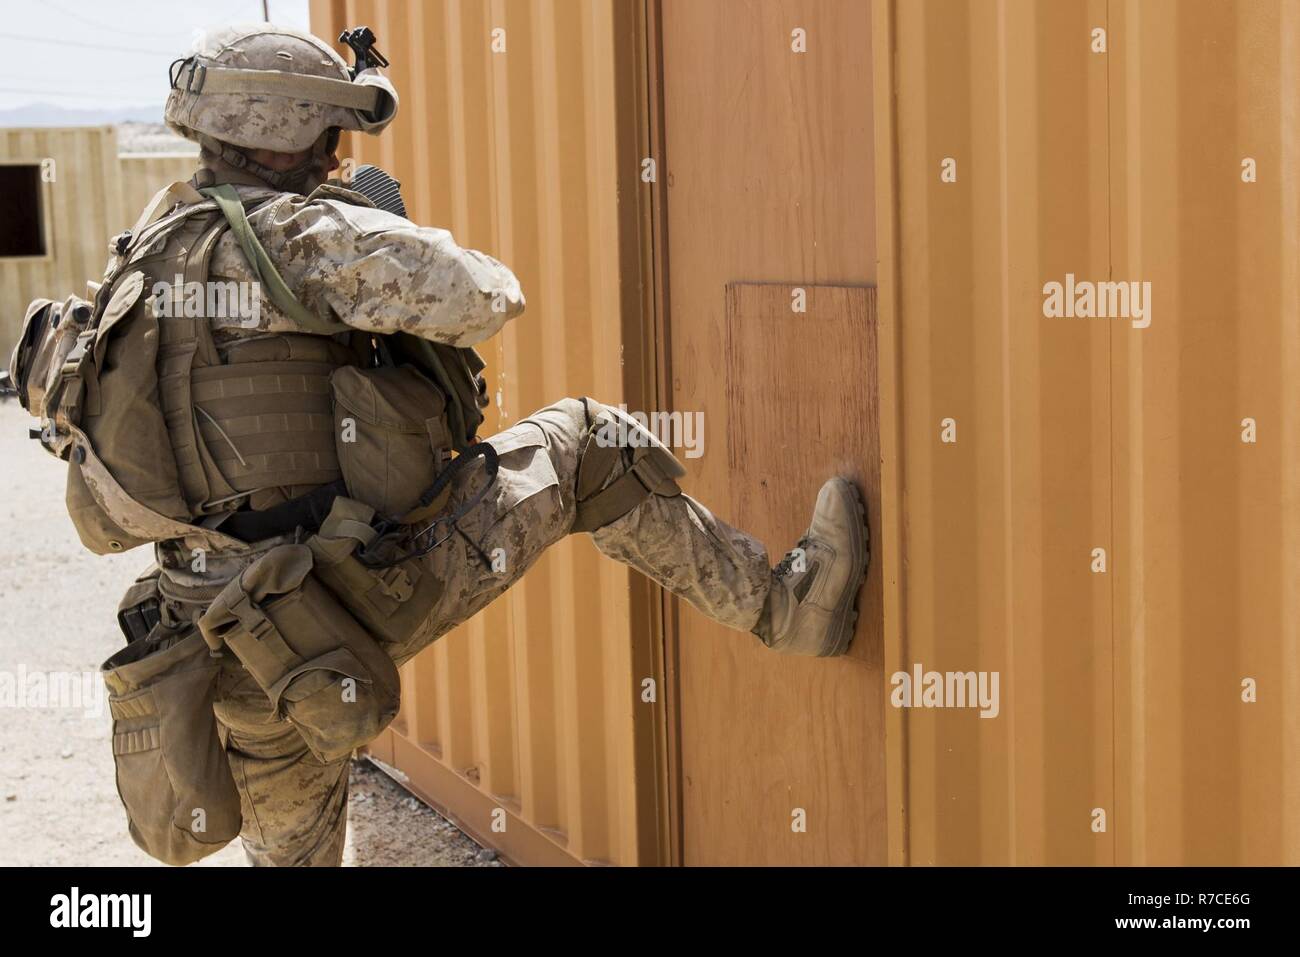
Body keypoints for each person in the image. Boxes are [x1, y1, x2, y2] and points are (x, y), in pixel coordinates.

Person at [14, 23, 869, 866]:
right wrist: (367, 220)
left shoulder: (142, 259)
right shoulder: (293, 239)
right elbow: (484, 296)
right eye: (329, 130)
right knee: (589, 444)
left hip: (219, 636)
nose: (336, 150)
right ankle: (786, 608)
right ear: (286, 129)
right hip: (348, 597)